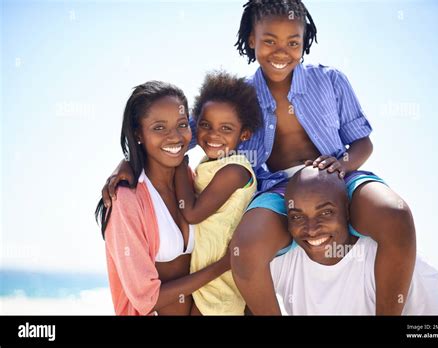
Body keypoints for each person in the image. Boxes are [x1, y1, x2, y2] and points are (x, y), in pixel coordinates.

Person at [101, 0, 416, 315]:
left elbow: (363, 142)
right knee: (246, 250)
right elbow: (182, 135)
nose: (281, 51)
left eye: (293, 42)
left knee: (396, 214)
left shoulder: (331, 81)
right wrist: (129, 161)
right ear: (251, 40)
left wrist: (345, 164)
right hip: (276, 188)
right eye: (269, 41)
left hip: (337, 174)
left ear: (305, 42)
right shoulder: (242, 96)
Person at [95, 81, 230, 315]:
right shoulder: (125, 200)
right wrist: (223, 266)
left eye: (182, 124)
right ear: (138, 133)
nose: (174, 137)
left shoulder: (190, 179)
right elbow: (147, 298)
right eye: (159, 128)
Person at [270, 166, 438, 315]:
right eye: (297, 217)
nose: (311, 229)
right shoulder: (283, 264)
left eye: (326, 213)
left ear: (348, 211)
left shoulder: (404, 266)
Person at [174, 71, 260, 315]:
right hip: (205, 273)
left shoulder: (235, 170)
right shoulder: (210, 163)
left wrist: (179, 162)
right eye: (205, 125)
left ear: (244, 134)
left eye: (226, 128)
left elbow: (192, 213)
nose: (213, 135)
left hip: (223, 279)